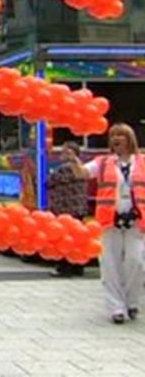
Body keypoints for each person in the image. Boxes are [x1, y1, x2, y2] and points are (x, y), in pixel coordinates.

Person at [81, 123, 145, 323]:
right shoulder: (102, 162)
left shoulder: (142, 162)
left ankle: (132, 301)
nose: (116, 139)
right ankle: (116, 307)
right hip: (109, 220)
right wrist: (73, 160)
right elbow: (83, 173)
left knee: (136, 261)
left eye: (121, 135)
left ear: (130, 139)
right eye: (113, 136)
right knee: (110, 264)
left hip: (136, 220)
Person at [47, 141, 89, 278]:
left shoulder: (64, 169)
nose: (62, 154)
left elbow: (49, 181)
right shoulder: (82, 168)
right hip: (79, 208)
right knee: (78, 238)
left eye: (66, 152)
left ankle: (64, 268)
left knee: (64, 239)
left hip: (65, 209)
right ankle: (78, 266)